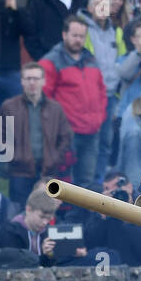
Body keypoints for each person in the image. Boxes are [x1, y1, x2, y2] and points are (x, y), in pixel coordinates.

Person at [41, 15, 106, 186]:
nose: (78, 40)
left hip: (92, 132)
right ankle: (60, 213)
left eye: (82, 36)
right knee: (63, 181)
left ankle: (84, 214)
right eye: (74, 35)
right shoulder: (51, 62)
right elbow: (43, 98)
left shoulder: (90, 59)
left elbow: (101, 91)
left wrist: (99, 118)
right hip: (66, 134)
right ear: (64, 35)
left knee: (87, 182)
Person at [0, 63, 74, 207]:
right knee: (19, 211)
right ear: (22, 81)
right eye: (28, 78)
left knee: (48, 210)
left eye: (36, 78)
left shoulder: (55, 108)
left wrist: (55, 159)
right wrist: (11, 161)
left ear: (43, 81)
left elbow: (65, 137)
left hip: (47, 171)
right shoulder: (8, 107)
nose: (32, 82)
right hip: (19, 171)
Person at [77, 0, 126, 171]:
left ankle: (99, 180)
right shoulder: (82, 30)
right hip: (88, 97)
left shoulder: (117, 32)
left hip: (111, 97)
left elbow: (122, 62)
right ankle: (85, 181)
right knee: (89, 141)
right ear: (90, 8)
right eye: (98, 4)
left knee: (106, 141)